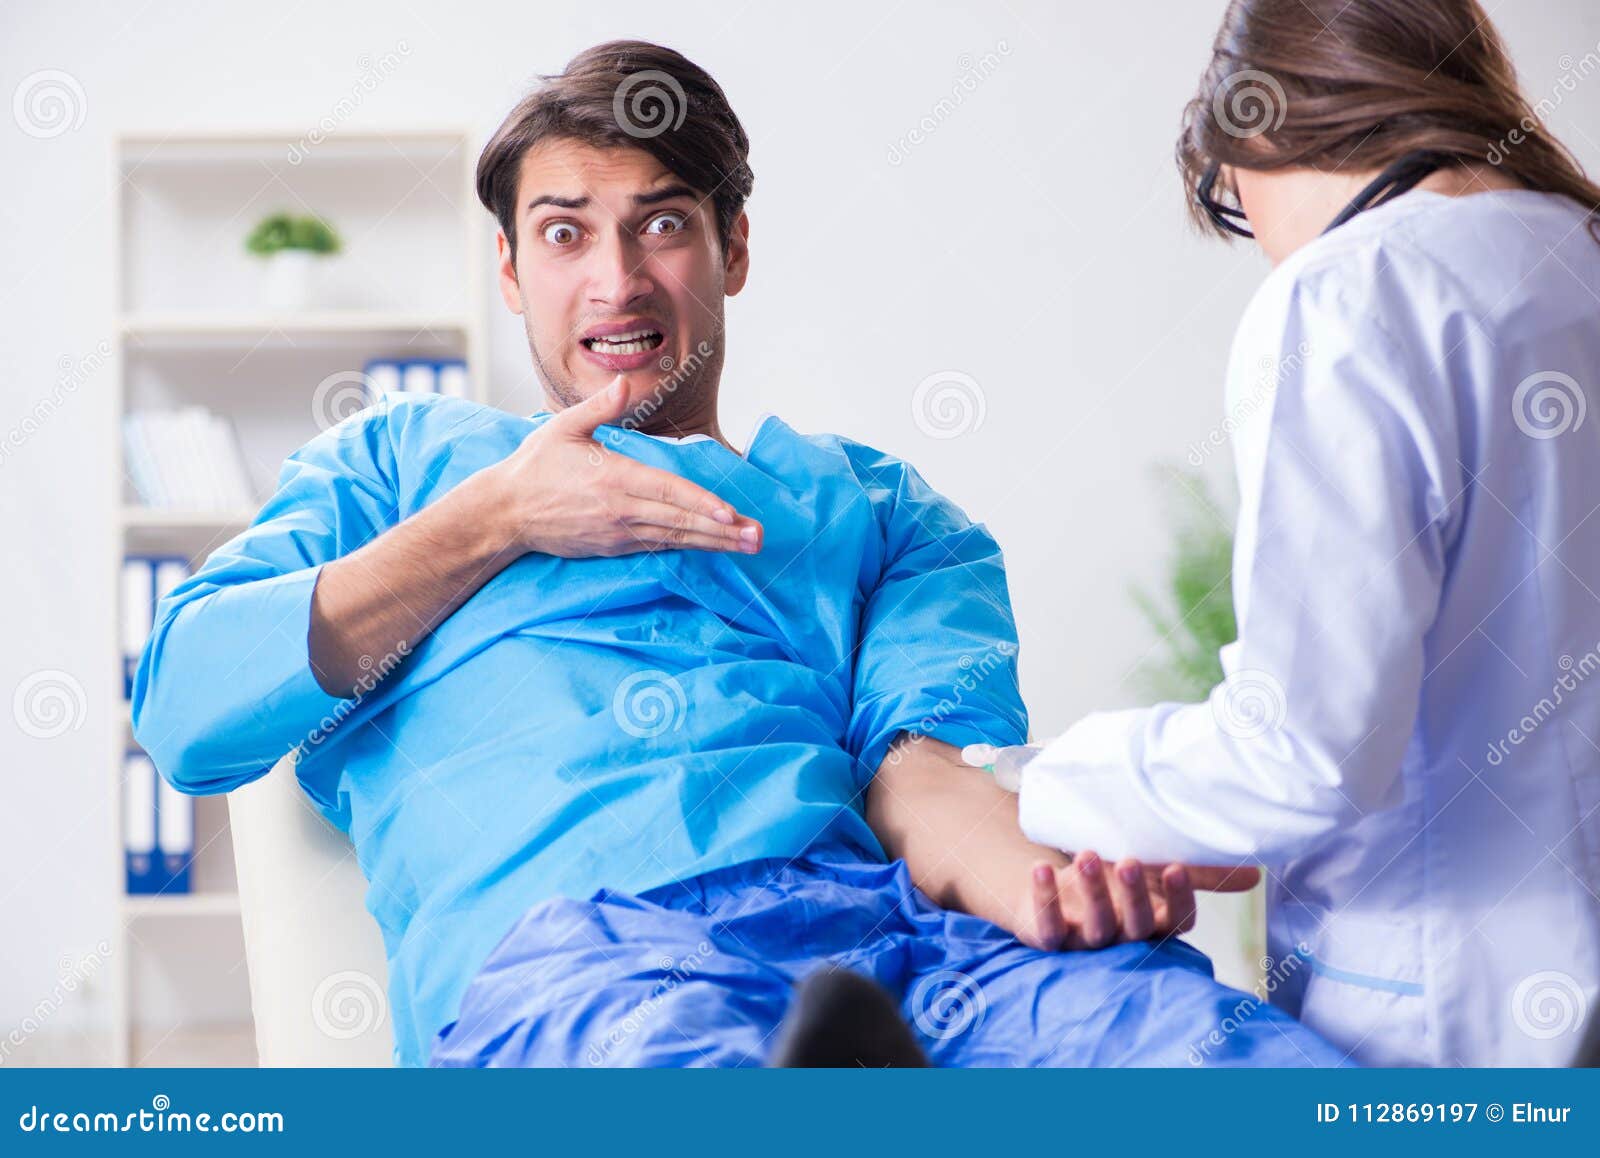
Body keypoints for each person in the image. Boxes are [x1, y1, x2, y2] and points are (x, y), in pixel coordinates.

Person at [132, 40, 1340, 1069]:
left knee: (1203, 1051)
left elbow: (919, 774)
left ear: (733, 251)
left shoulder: (880, 510)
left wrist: (1038, 886)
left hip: (895, 943)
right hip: (583, 967)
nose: (616, 279)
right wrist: (499, 519)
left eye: (661, 223)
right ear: (509, 269)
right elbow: (186, 708)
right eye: (564, 235)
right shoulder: (396, 466)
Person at [973, 0, 1600, 1066]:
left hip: (1453, 1029)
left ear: (1247, 141)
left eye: (1229, 209)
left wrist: (1028, 780)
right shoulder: (1574, 249)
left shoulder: (1349, 293)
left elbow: (1303, 757)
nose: (1259, 249)